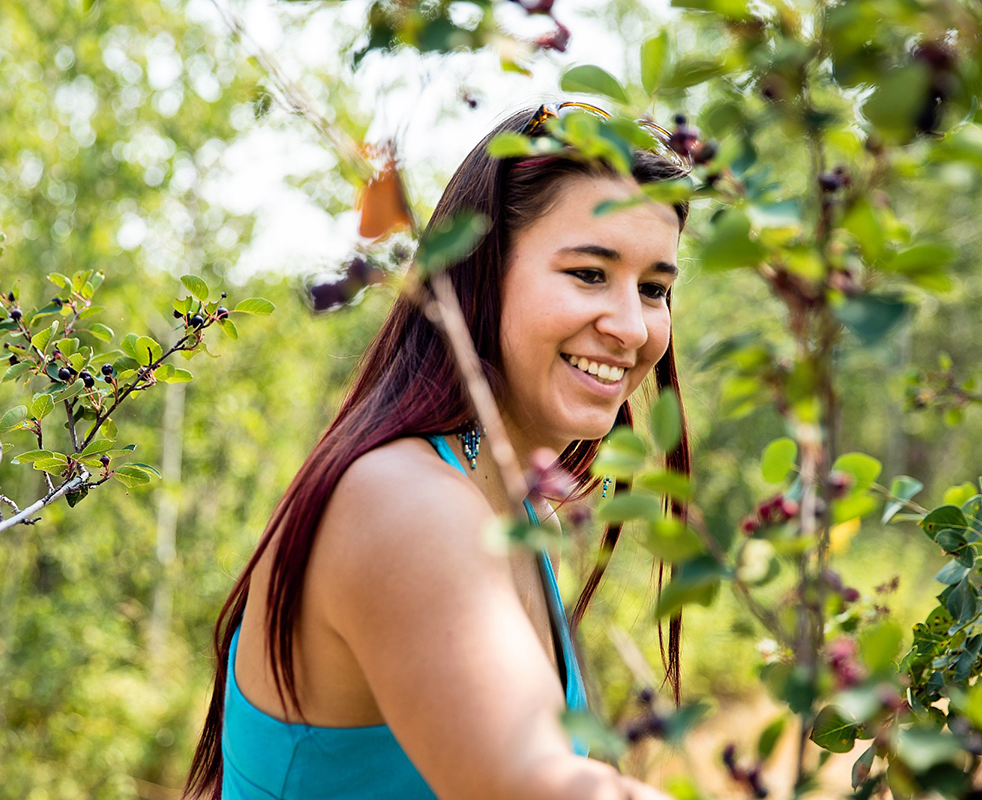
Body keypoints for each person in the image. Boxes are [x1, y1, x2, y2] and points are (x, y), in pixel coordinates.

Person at [184, 102, 692, 799]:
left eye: (655, 289)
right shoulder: (403, 502)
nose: (632, 327)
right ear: (481, 271)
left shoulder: (517, 513)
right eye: (588, 273)